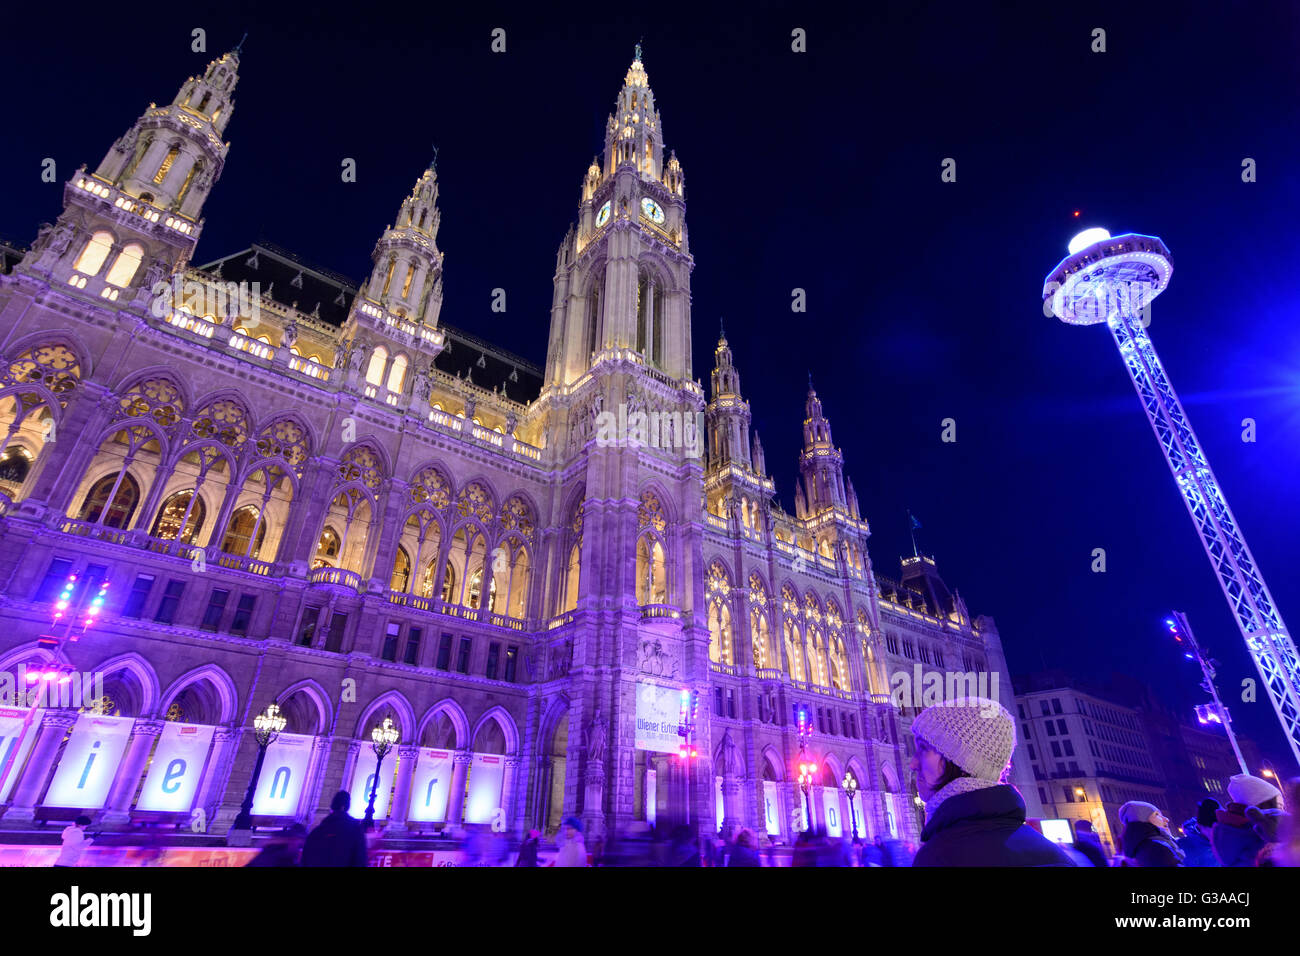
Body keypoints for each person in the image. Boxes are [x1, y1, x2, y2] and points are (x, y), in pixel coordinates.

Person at [908, 697, 1074, 867]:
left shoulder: (941, 856)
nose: (912, 764)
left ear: (960, 760)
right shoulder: (1054, 854)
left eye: (923, 748)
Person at [1212, 774, 1281, 867]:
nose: (1283, 812)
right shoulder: (1260, 843)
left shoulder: (1233, 837)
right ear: (1260, 808)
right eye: (1280, 806)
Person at [301, 790, 369, 867]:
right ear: (346, 806)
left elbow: (305, 859)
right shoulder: (355, 830)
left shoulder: (317, 831)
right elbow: (360, 860)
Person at [1117, 802, 1184, 867]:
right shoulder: (1157, 849)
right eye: (1157, 814)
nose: (1166, 819)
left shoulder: (1141, 848)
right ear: (1143, 820)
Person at [1175, 799, 1220, 868]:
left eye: (1219, 829)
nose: (1216, 833)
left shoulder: (1227, 842)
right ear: (1200, 826)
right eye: (1211, 828)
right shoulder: (1182, 846)